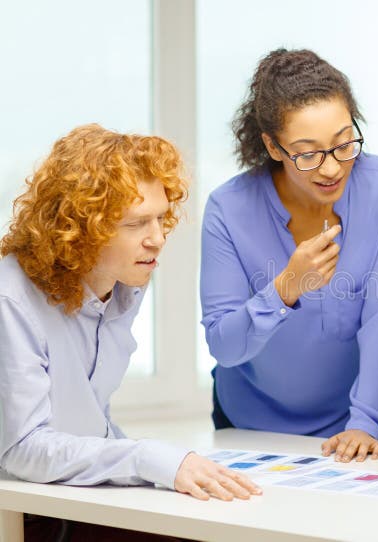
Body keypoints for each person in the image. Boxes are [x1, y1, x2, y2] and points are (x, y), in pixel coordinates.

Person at [0, 124, 261, 537]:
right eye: (137, 223)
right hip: (25, 514)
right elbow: (22, 448)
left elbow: (91, 421)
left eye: (160, 218)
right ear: (82, 227)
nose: (157, 239)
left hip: (75, 499)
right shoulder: (11, 299)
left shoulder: (122, 285)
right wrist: (146, 459)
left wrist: (173, 466)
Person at [200, 48, 378, 462]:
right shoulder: (228, 209)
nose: (331, 168)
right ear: (273, 146)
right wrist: (285, 289)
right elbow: (224, 346)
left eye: (343, 143)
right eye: (308, 153)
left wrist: (366, 421)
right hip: (249, 425)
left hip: (353, 424)